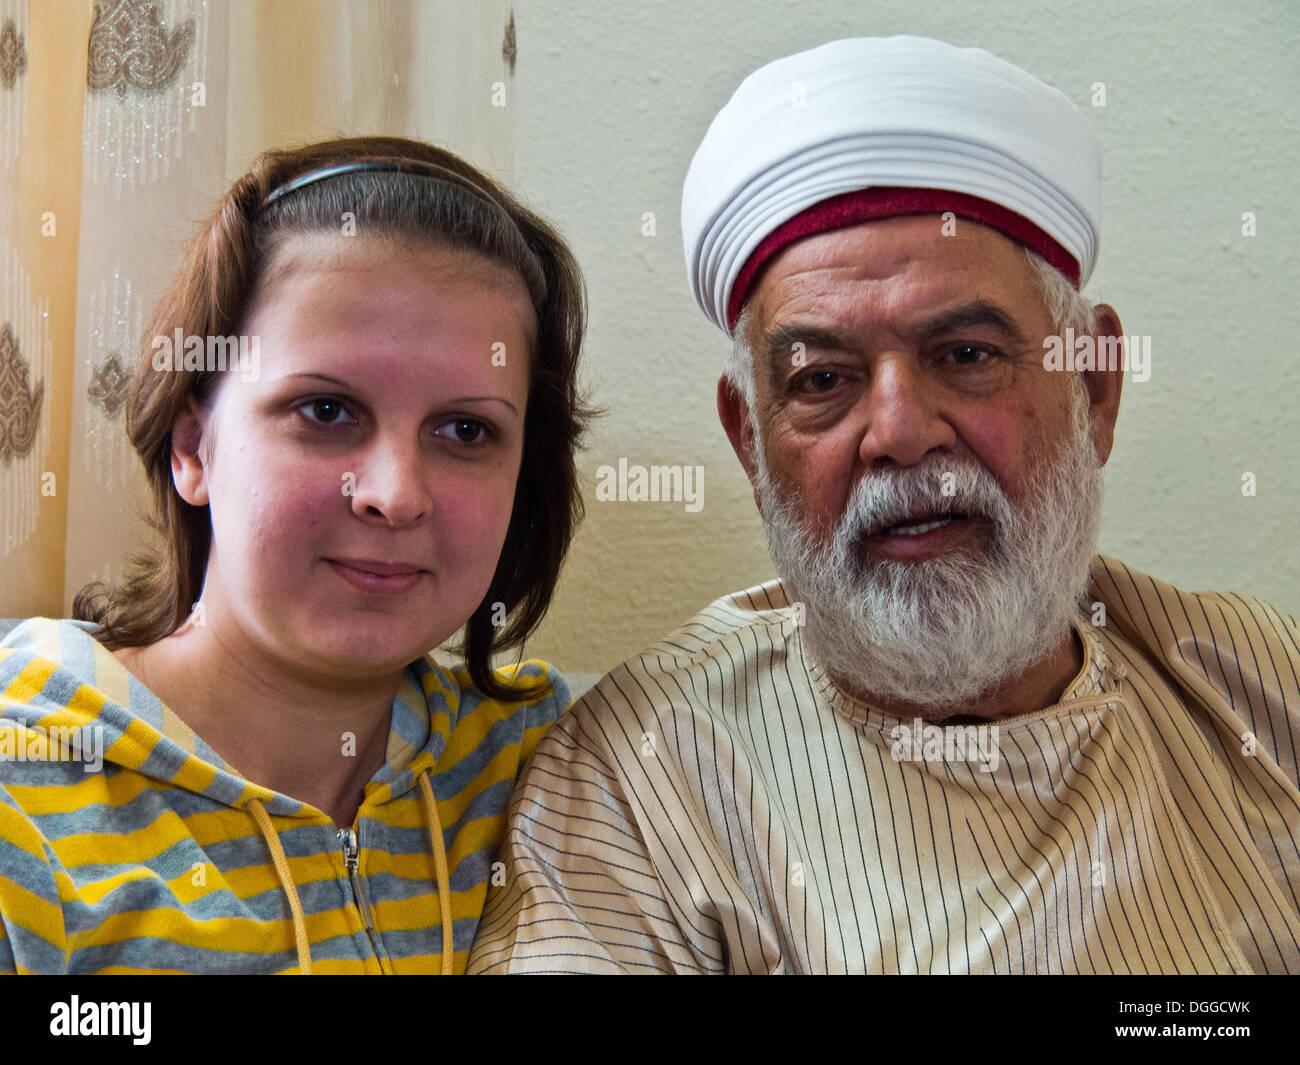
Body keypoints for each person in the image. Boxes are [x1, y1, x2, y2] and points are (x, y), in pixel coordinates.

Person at [469, 37, 1300, 974]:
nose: (899, 431)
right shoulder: (638, 781)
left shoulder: (1254, 686)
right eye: (823, 378)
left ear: (1095, 390)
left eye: (967, 355)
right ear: (751, 439)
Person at [0, 136, 591, 974]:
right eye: (325, 410)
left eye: (466, 430)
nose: (395, 492)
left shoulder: (556, 770)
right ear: (194, 448)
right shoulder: (24, 802)